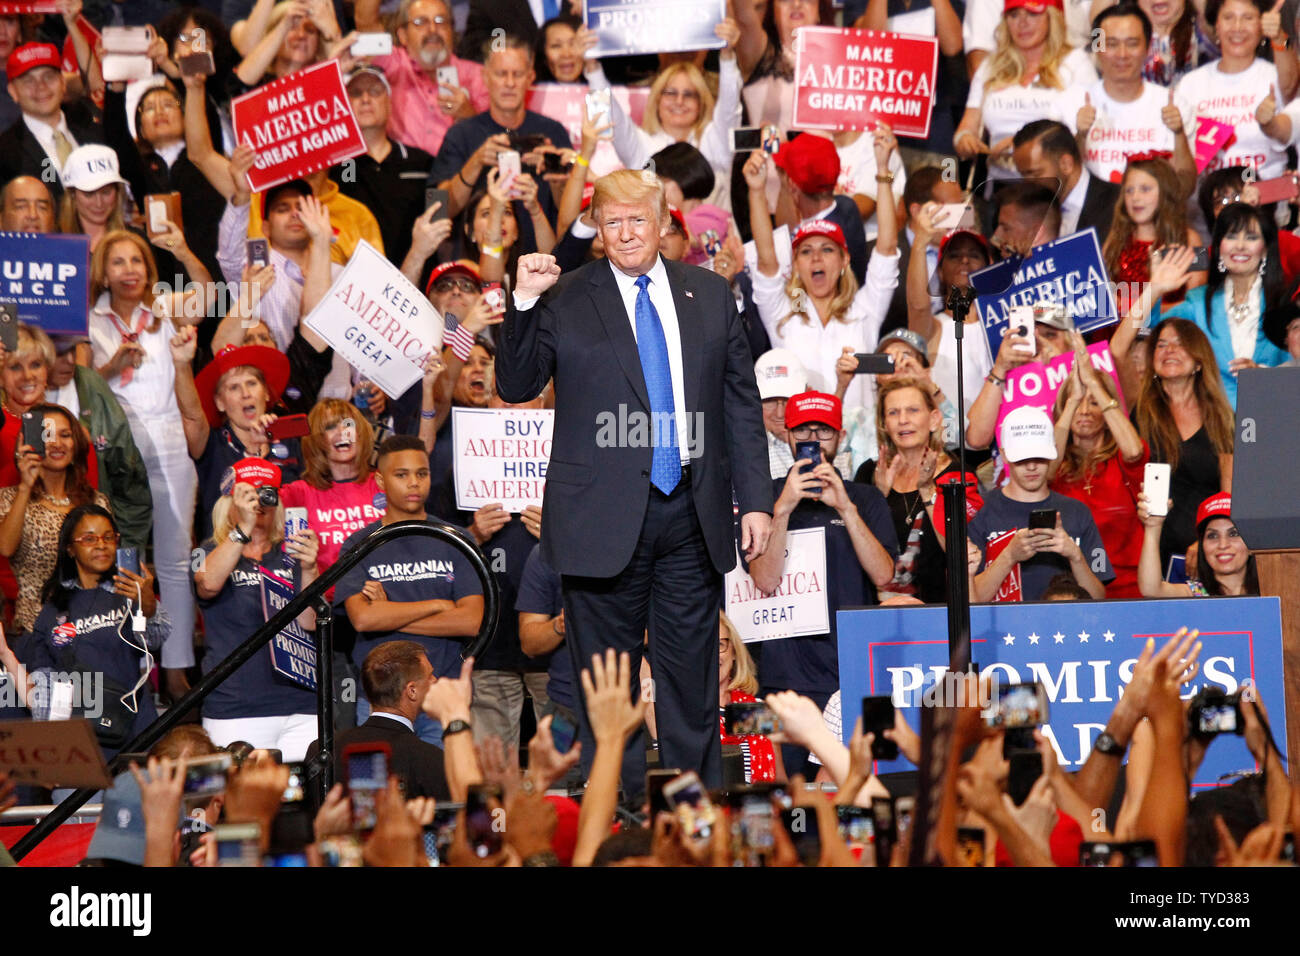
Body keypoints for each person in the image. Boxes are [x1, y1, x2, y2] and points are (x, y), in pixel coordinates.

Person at [496, 168, 773, 792]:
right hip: (600, 523)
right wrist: (521, 302)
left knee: (692, 689)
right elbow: (516, 386)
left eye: (636, 220)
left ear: (664, 224)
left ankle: (694, 828)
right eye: (610, 221)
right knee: (607, 694)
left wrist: (755, 502)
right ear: (597, 228)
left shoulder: (708, 292)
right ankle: (613, 831)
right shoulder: (563, 295)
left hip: (691, 519)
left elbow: (739, 406)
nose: (623, 234)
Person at [746, 390, 896, 774]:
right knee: (788, 799)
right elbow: (763, 579)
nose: (813, 440)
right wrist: (782, 510)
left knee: (847, 796)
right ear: (787, 435)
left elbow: (883, 574)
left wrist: (845, 507)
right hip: (782, 680)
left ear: (841, 436)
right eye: (803, 430)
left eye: (823, 431)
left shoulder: (866, 498)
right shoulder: (763, 495)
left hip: (849, 675)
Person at [88, 229, 206, 692]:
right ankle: (134, 666)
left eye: (136, 260)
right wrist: (111, 368)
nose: (129, 270)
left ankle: (175, 669)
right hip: (117, 448)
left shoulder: (164, 311)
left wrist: (181, 248)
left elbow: (205, 292)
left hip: (171, 441)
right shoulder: (88, 320)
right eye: (117, 262)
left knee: (176, 561)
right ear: (103, 271)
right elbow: (79, 383)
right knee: (121, 562)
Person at [334, 436, 485, 747]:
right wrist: (439, 605)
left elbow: (471, 621)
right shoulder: (359, 543)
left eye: (422, 473)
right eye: (401, 475)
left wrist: (388, 613)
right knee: (374, 793)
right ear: (380, 480)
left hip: (442, 697)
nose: (414, 483)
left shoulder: (456, 538)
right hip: (378, 703)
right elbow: (361, 619)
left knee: (447, 792)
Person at [746, 127, 900, 417]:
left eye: (827, 250)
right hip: (798, 446)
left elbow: (887, 247)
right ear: (795, 264)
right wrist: (756, 191)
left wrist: (883, 170)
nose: (816, 256)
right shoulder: (781, 313)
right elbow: (767, 261)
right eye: (806, 251)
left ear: (844, 260)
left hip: (860, 451)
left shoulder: (865, 309)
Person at [10, 505, 162, 762]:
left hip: (137, 733)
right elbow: (45, 686)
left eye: (108, 537)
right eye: (89, 539)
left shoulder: (129, 591)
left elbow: (157, 639)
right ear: (70, 549)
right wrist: (50, 752)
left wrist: (148, 606)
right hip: (80, 748)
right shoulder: (53, 611)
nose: (101, 545)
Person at [192, 458, 321, 760]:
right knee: (238, 802)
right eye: (249, 494)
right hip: (235, 708)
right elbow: (207, 584)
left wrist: (311, 567)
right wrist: (242, 529)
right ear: (230, 500)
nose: (258, 503)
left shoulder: (293, 552)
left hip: (300, 705)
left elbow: (310, 621)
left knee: (305, 803)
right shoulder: (203, 550)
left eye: (267, 493)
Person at [1136, 204, 1291, 407]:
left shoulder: (1284, 304)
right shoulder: (1198, 302)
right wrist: (1154, 287)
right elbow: (1146, 328)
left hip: (1272, 422)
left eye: (1251, 237)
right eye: (1232, 236)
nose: (1240, 245)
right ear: (1219, 247)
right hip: (1213, 426)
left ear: (1265, 250)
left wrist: (1262, 375)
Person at [968, 405, 1113, 601]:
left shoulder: (1078, 512)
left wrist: (1075, 556)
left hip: (1065, 627)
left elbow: (1099, 598)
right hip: (1003, 629)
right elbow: (970, 601)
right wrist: (1009, 555)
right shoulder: (978, 510)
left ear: (1052, 451)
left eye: (1039, 457)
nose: (1032, 466)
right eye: (1022, 459)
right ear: (1004, 455)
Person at [588, 22, 742, 207]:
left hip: (717, 236)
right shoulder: (642, 146)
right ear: (657, 100)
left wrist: (727, 57)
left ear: (701, 104)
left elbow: (729, 109)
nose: (679, 101)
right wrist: (592, 68)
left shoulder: (715, 142)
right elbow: (612, 117)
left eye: (689, 94)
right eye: (670, 93)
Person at [1054, 4, 1197, 191]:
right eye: (1112, 44)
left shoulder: (1174, 104)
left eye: (1132, 44)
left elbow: (1186, 189)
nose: (1122, 55)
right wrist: (1080, 136)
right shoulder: (1069, 103)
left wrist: (1178, 133)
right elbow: (1058, 186)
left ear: (1147, 48)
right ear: (1097, 48)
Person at [854, 378, 971, 603]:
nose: (903, 420)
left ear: (934, 419)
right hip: (878, 611)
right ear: (884, 424)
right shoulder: (868, 474)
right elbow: (857, 549)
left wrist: (928, 490)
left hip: (941, 612)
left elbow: (960, 554)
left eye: (913, 410)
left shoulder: (958, 476)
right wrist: (879, 497)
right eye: (893, 413)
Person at [172, 337, 300, 543]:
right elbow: (191, 415)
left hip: (281, 559)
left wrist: (263, 448)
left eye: (252, 383)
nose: (246, 394)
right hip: (225, 562)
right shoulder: (212, 444)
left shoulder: (289, 442)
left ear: (266, 393)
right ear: (220, 402)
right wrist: (181, 364)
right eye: (233, 388)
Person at [1048, 339, 1150, 597]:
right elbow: (1047, 468)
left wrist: (1093, 382)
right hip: (1070, 588)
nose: (1084, 411)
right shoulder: (1056, 464)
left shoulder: (1122, 458)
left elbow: (1135, 451)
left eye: (1094, 403)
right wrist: (1072, 400)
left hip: (1127, 585)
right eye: (1077, 403)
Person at [953, 0, 1097, 182]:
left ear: (1052, 17)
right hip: (1001, 186)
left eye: (1032, 14)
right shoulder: (991, 66)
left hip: (1053, 187)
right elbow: (966, 127)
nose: (1022, 23)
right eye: (1014, 15)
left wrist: (1021, 143)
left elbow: (1086, 133)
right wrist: (965, 140)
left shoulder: (1075, 63)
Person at [0, 404, 111, 633]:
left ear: (76, 443)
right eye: (47, 435)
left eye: (65, 435)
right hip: (35, 630)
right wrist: (26, 486)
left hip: (91, 628)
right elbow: (5, 548)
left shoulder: (96, 503)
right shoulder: (10, 499)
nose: (57, 443)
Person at [45, 332, 152, 554]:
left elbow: (129, 483)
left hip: (92, 549)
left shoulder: (90, 387)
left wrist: (128, 553)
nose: (70, 361)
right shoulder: (10, 394)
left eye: (73, 350)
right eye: (59, 353)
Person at [304, 640, 451, 801]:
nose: (436, 681)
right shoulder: (428, 758)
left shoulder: (321, 750)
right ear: (412, 691)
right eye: (430, 675)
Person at [1173, 0, 1298, 183]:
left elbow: (1292, 80)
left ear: (1261, 25)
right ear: (1216, 24)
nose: (1237, 27)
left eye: (1247, 18)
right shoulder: (1190, 84)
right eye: (1228, 18)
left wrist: (1280, 36)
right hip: (1206, 203)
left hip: (1266, 202)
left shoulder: (1276, 76)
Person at [353, 0, 488, 159]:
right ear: (403, 35)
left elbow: (499, 139)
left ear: (452, 31)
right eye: (420, 22)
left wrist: (469, 115)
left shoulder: (479, 77)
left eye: (441, 21)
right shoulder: (391, 64)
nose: (432, 30)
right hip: (403, 174)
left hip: (458, 175)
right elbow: (364, 20)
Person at [330, 66, 435, 269]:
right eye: (356, 93)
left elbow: (440, 218)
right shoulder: (336, 167)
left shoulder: (422, 163)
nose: (366, 99)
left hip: (416, 280)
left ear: (389, 101)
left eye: (375, 91)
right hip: (353, 281)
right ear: (345, 105)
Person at [906, 207, 996, 422]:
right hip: (952, 448)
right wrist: (919, 243)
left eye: (974, 255)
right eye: (954, 256)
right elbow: (917, 306)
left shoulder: (1004, 322)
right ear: (939, 270)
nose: (964, 260)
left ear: (988, 265)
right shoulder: (934, 327)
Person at [0, 42, 104, 198]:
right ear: (13, 91)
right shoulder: (6, 153)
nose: (41, 87)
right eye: (29, 80)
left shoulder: (93, 131)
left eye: (48, 76)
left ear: (63, 83)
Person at [1102, 155, 1203, 312]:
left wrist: (1132, 309)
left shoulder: (1191, 240)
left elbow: (1196, 305)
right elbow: (1100, 299)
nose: (1135, 197)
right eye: (1129, 190)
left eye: (1145, 189)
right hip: (1117, 333)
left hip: (1167, 331)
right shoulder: (1115, 238)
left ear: (1165, 192)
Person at [1010, 120, 1123, 243]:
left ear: (1066, 164)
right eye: (1022, 175)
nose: (1027, 184)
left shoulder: (1117, 203)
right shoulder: (1027, 211)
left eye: (1034, 173)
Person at [1137, 491, 1259, 595]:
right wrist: (1153, 527)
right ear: (1202, 547)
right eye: (1212, 536)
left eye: (1233, 534)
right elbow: (1151, 590)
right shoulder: (1196, 593)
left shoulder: (1270, 590)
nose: (1223, 545)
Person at [754, 348, 808, 479]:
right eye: (769, 402)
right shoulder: (747, 453)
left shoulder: (833, 445)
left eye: (787, 400)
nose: (779, 413)